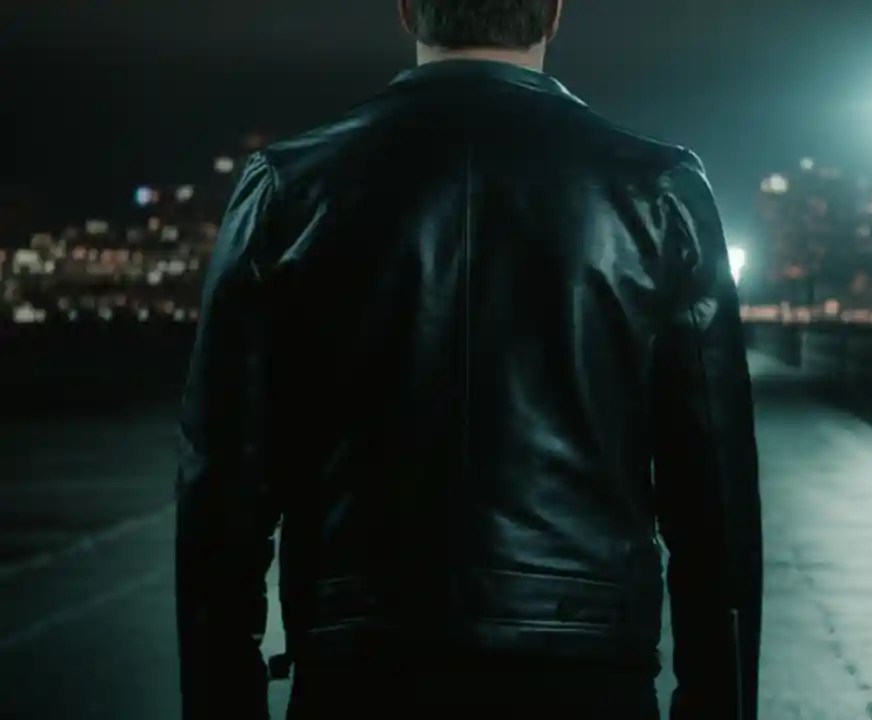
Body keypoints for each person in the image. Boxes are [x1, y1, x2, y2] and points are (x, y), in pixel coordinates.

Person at [174, 1, 762, 717]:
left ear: (406, 10)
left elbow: (223, 494)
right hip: (585, 666)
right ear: (553, 13)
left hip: (361, 668)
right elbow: (714, 501)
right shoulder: (658, 189)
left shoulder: (287, 187)